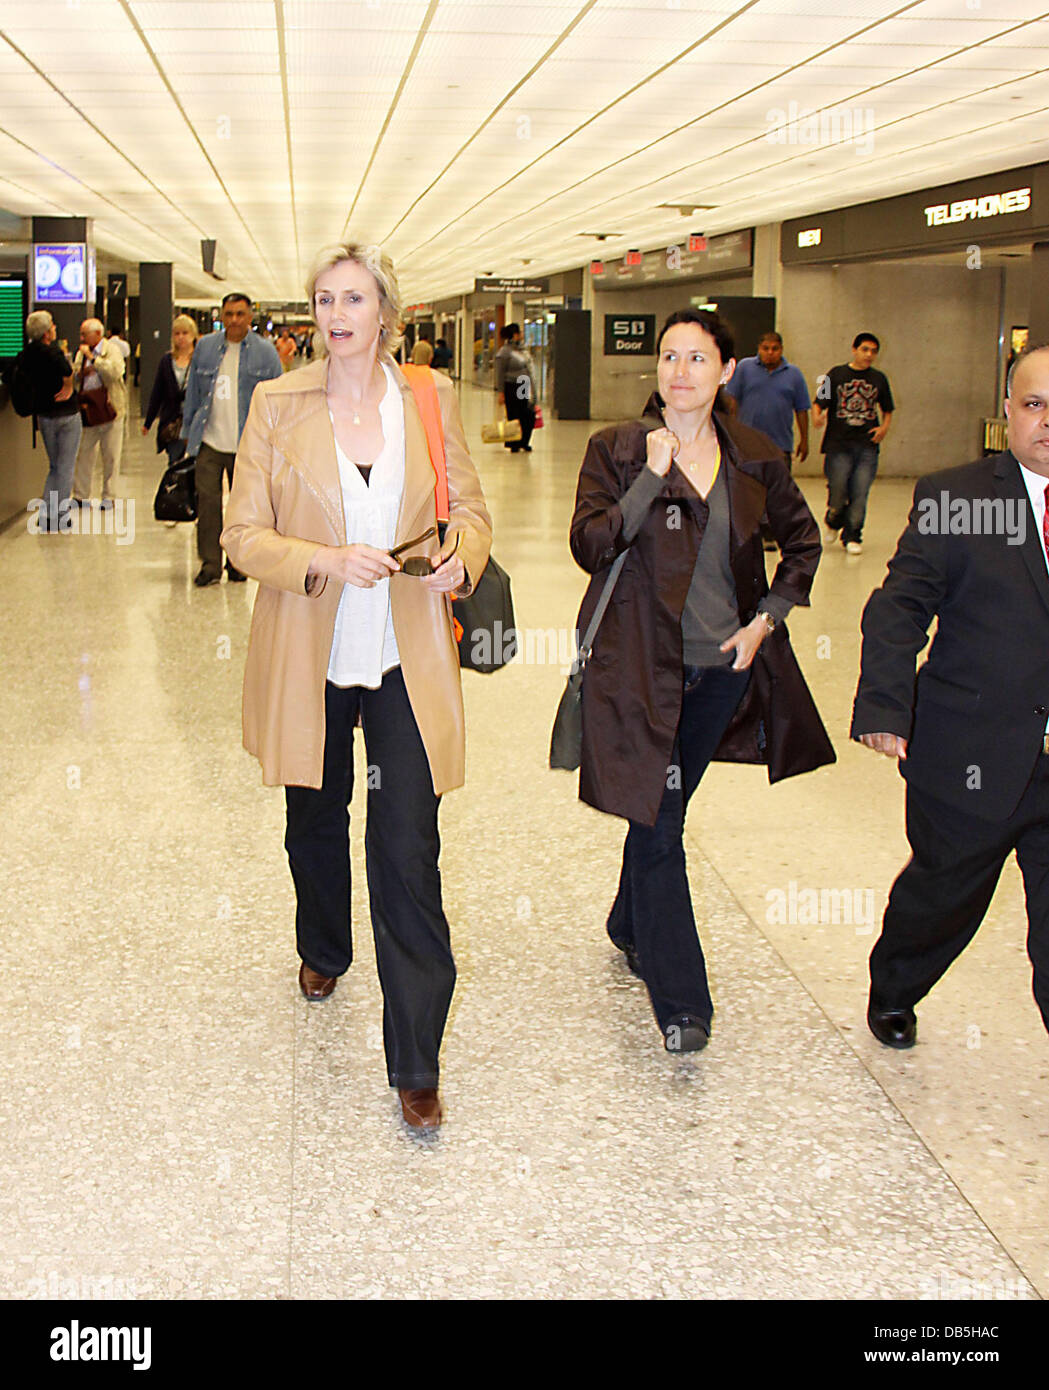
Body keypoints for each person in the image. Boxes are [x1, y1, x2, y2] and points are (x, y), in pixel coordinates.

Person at [221, 243, 492, 1131]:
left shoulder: (429, 398)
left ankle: (416, 1061)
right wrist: (322, 560)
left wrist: (462, 558)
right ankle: (322, 944)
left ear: (386, 312)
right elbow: (241, 535)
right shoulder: (275, 404)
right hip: (312, 645)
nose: (337, 314)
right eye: (324, 299)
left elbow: (474, 511)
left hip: (406, 650)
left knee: (408, 845)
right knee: (316, 815)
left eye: (354, 298)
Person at [570, 308, 833, 1054]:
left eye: (696, 359)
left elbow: (803, 545)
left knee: (661, 807)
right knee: (663, 827)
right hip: (637, 668)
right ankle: (682, 1002)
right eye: (668, 357)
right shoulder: (618, 450)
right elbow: (589, 545)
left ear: (725, 373)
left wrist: (767, 620)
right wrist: (649, 479)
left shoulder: (754, 455)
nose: (679, 371)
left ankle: (628, 922)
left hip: (722, 669)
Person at [852, 343, 1049, 1049]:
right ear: (1006, 412)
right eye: (1033, 404)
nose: (1047, 421)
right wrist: (883, 705)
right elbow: (899, 607)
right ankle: (896, 986)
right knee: (942, 897)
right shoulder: (958, 497)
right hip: (969, 750)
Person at [182, 292, 281, 586]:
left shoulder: (266, 352)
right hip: (210, 442)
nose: (234, 320)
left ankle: (238, 563)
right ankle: (211, 564)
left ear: (250, 317)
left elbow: (278, 399)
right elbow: (193, 395)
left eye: (240, 314)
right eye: (229, 314)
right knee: (208, 505)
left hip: (248, 444)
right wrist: (188, 438)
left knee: (244, 510)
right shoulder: (205, 348)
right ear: (221, 317)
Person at [724, 331, 810, 550]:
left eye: (775, 349)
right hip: (748, 443)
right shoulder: (744, 368)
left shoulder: (794, 375)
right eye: (766, 348)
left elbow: (801, 409)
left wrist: (804, 439)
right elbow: (732, 400)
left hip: (780, 444)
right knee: (748, 489)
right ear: (759, 349)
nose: (770, 353)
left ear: (781, 349)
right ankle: (753, 531)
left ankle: (771, 533)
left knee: (777, 492)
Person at [812, 332, 895, 555]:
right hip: (838, 444)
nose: (869, 355)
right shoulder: (836, 374)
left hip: (867, 445)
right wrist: (817, 416)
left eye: (873, 351)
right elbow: (819, 402)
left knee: (860, 492)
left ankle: (853, 535)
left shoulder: (879, 379)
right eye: (865, 349)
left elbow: (888, 409)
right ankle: (833, 517)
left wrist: (884, 428)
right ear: (854, 350)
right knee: (838, 490)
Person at [17, 310, 80, 531]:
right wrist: (69, 385)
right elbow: (67, 371)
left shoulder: (25, 355)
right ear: (46, 333)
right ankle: (61, 515)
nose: (55, 328)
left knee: (54, 466)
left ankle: (46, 515)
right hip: (66, 414)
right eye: (52, 325)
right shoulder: (53, 353)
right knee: (65, 467)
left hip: (44, 416)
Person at [72, 318, 126, 508]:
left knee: (110, 454)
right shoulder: (81, 353)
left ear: (97, 334)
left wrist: (95, 360)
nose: (82, 338)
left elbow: (115, 372)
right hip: (88, 410)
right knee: (84, 452)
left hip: (111, 409)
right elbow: (75, 374)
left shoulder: (112, 350)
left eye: (84, 334)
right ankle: (80, 494)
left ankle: (109, 496)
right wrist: (80, 373)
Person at [142, 315, 198, 466]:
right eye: (177, 333)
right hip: (172, 424)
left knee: (198, 466)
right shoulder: (167, 361)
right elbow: (157, 393)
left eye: (185, 333)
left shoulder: (201, 359)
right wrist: (148, 422)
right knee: (175, 465)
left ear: (193, 335)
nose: (181, 337)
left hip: (196, 422)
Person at [494, 323, 535, 453]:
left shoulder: (522, 350)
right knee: (513, 414)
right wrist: (500, 392)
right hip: (511, 385)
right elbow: (500, 373)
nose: (522, 335)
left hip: (524, 385)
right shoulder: (504, 352)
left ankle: (524, 441)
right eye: (520, 333)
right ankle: (514, 442)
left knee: (526, 413)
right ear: (515, 335)